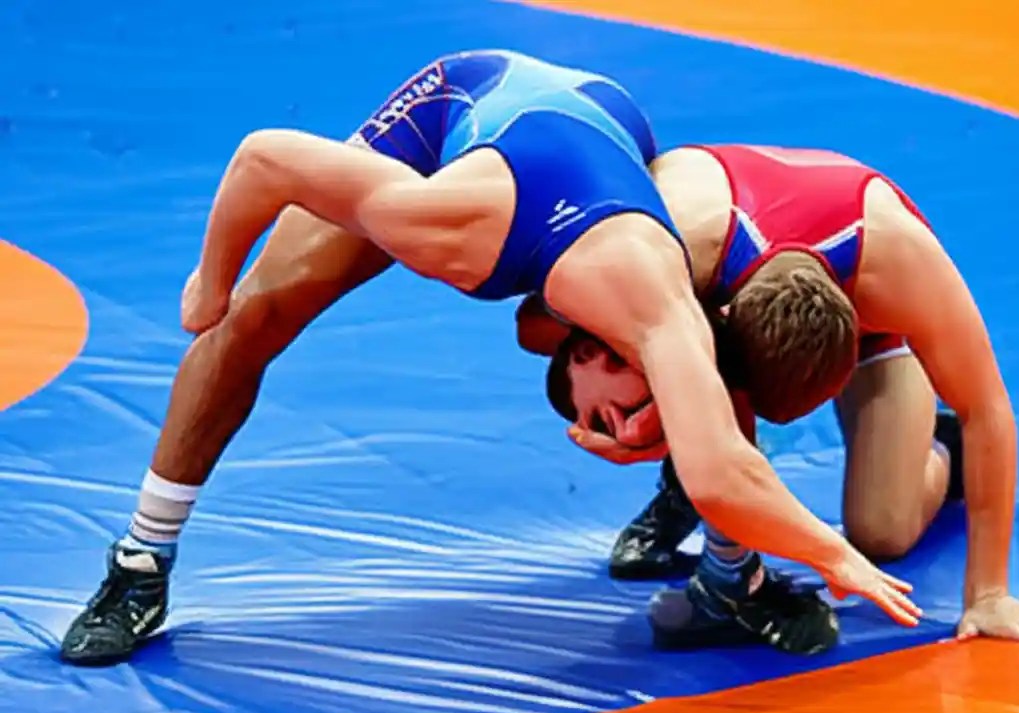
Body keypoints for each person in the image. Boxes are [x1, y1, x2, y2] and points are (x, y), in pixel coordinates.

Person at [58, 52, 922, 666]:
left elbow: (722, 459)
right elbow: (264, 158)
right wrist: (210, 283)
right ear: (590, 345)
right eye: (624, 417)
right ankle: (142, 560)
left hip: (604, 125)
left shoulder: (669, 311)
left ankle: (731, 578)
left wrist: (776, 522)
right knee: (252, 320)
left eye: (616, 419)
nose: (616, 427)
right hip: (467, 100)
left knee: (712, 388)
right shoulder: (440, 225)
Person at [527, 143, 1019, 648]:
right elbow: (533, 326)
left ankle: (942, 453)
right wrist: (667, 429)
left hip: (872, 312)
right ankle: (697, 507)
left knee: (882, 533)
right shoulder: (671, 248)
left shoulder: (905, 269)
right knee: (663, 383)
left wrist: (989, 593)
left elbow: (985, 407)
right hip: (712, 275)